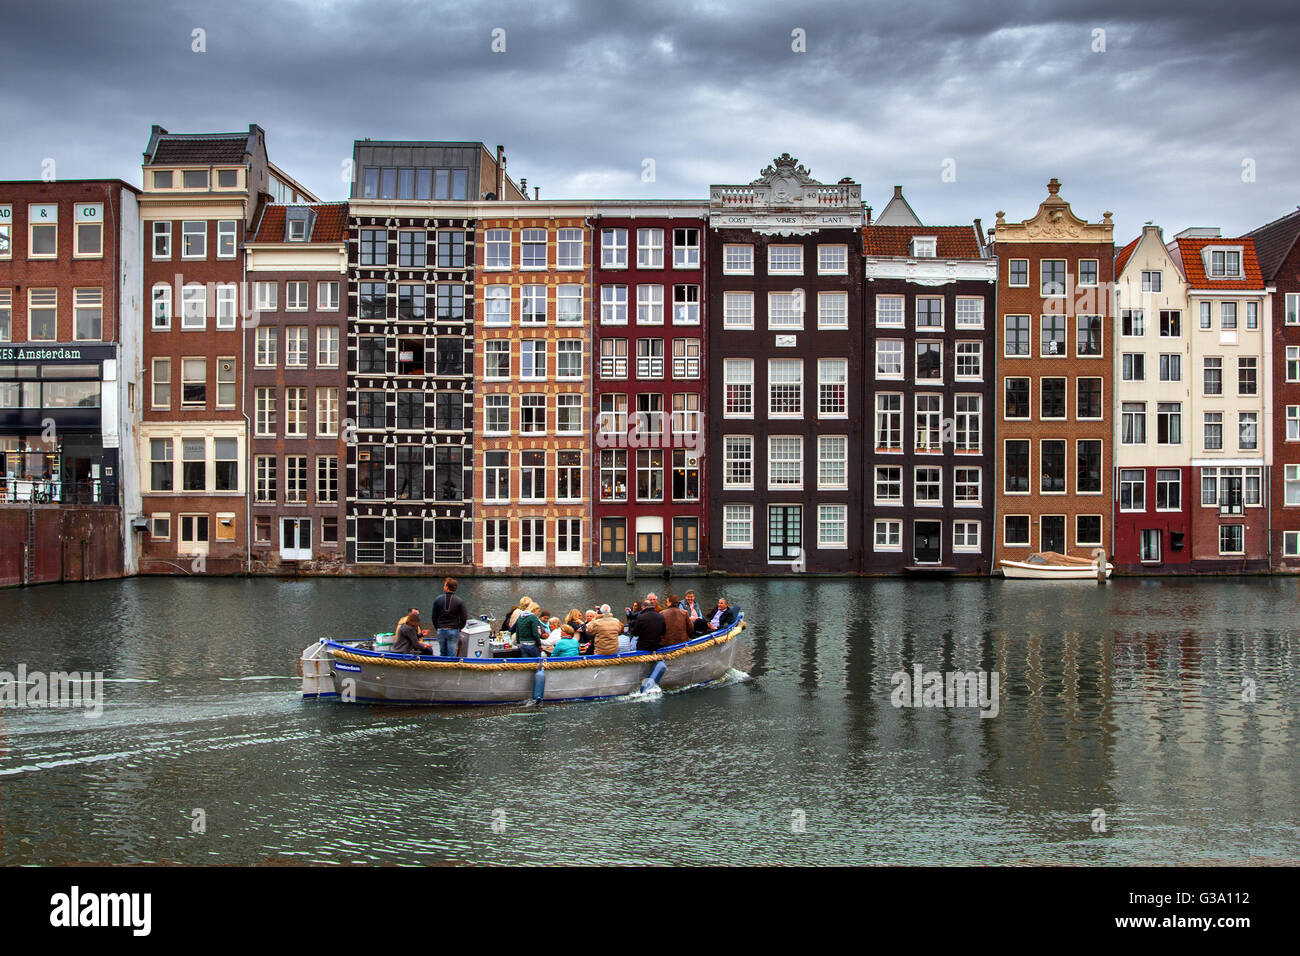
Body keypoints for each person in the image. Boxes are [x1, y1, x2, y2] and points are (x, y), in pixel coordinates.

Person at [431, 577, 469, 657]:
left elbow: (434, 617)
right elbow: (464, 617)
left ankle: (442, 667)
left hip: (441, 629)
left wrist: (437, 627)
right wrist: (459, 628)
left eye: (444, 585)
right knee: (451, 654)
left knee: (442, 652)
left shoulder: (438, 600)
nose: (443, 586)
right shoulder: (459, 601)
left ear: (447, 587)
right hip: (453, 630)